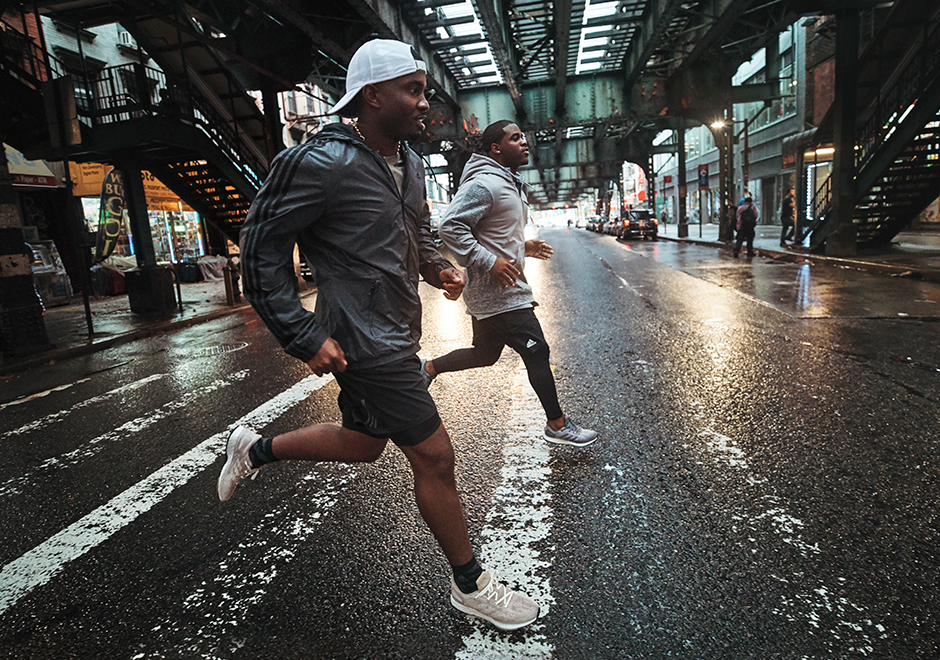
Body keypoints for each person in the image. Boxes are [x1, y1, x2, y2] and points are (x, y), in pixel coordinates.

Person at [217, 39, 539, 632]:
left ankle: (254, 447)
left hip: (395, 325)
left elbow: (415, 230)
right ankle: (470, 584)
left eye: (423, 90)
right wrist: (301, 333)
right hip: (362, 339)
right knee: (435, 457)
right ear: (372, 96)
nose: (425, 103)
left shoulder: (409, 164)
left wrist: (435, 266)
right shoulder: (319, 162)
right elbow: (260, 250)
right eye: (413, 90)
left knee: (364, 444)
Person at [420, 120, 598, 447]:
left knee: (485, 353)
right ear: (495, 148)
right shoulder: (485, 184)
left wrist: (521, 247)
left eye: (524, 137)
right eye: (515, 138)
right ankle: (557, 424)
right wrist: (490, 261)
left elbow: (492, 232)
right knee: (538, 351)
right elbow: (450, 227)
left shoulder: (507, 182)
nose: (525, 143)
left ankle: (428, 367)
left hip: (496, 293)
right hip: (501, 293)